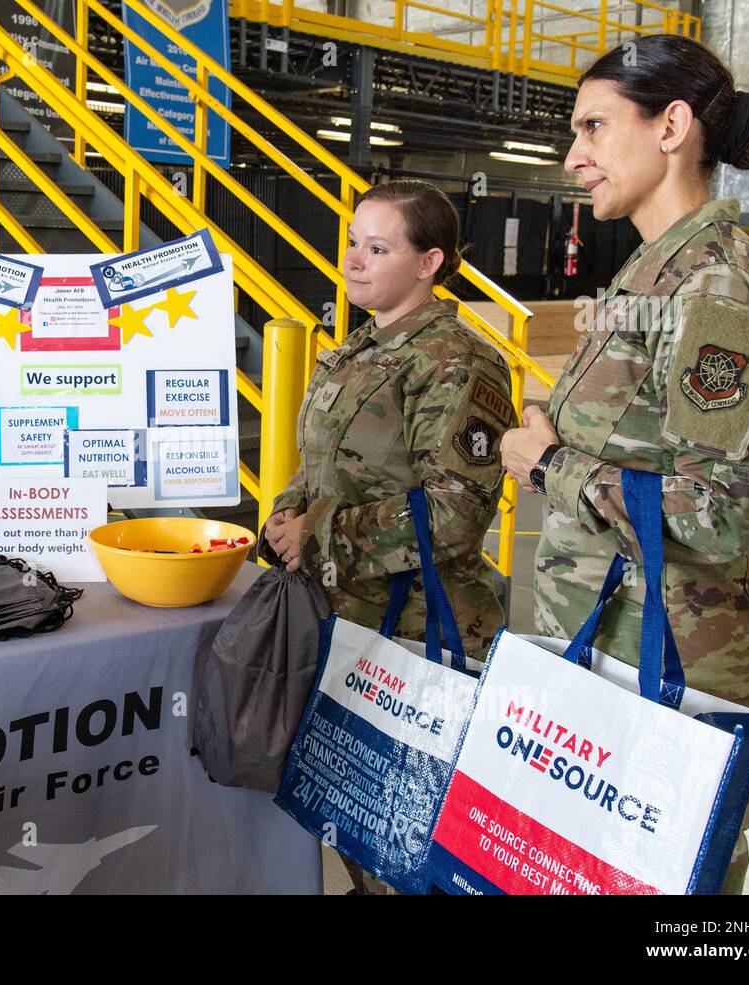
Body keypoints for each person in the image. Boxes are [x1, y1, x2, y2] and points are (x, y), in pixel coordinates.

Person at [500, 35, 749, 895]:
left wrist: (549, 461)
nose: (573, 157)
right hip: (612, 643)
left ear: (671, 126)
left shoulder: (713, 286)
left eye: (594, 127)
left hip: (669, 660)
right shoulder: (652, 270)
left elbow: (720, 512)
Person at [260, 179, 514, 894]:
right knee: (358, 824)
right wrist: (287, 512)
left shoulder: (455, 363)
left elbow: (457, 512)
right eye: (352, 243)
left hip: (418, 633)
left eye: (379, 247)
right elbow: (325, 462)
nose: (355, 261)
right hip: (350, 620)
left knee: (410, 841)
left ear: (430, 261)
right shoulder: (363, 346)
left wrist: (323, 535)